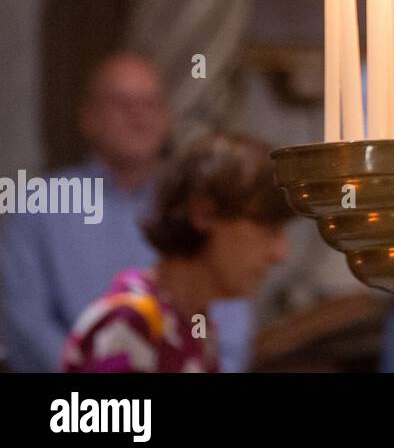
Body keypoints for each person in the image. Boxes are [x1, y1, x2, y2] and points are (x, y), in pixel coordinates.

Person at [0, 52, 253, 372]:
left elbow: (227, 314)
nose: (139, 116)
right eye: (121, 103)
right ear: (88, 117)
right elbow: (26, 321)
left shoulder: (196, 209)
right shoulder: (42, 202)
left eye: (151, 104)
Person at [62, 133, 292, 372]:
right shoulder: (132, 321)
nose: (281, 253)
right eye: (269, 230)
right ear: (203, 214)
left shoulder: (197, 324)